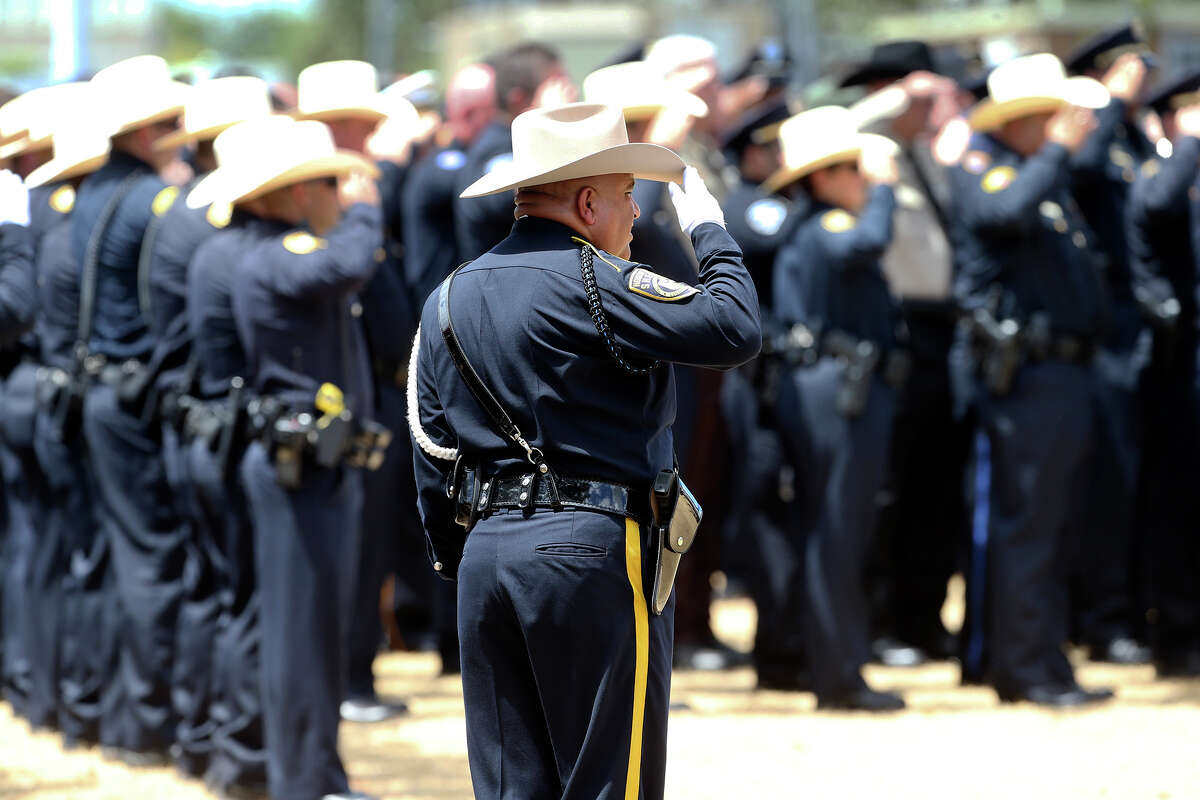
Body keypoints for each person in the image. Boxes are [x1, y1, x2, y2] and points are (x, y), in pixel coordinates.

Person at [410, 102, 759, 799]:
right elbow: (733, 327)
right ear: (587, 199)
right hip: (587, 550)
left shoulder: (446, 296)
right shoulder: (595, 279)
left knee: (514, 788)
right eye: (629, 196)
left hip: (487, 557)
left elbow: (433, 449)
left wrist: (463, 554)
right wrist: (710, 232)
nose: (635, 216)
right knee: (608, 784)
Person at [195, 114, 385, 800]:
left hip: (313, 465)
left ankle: (317, 774)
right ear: (296, 194)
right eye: (329, 182)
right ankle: (302, 783)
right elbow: (347, 264)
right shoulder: (276, 254)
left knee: (316, 631)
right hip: (297, 467)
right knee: (301, 636)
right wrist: (367, 211)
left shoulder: (280, 248)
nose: (340, 193)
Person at [950, 53, 1113, 706]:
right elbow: (1004, 213)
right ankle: (1021, 668)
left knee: (1057, 525)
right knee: (1028, 525)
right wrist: (1056, 154)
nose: (1068, 127)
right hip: (1028, 375)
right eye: (1054, 115)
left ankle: (1047, 657)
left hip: (1063, 371)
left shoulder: (1041, 176)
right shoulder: (989, 170)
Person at [142, 75, 274, 779]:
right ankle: (236, 750)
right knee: (241, 594)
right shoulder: (214, 221)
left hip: (188, 421)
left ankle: (201, 738)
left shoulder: (184, 211)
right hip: (217, 424)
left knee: (210, 588)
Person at [69, 55, 191, 760]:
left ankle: (121, 714)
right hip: (132, 392)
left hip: (101, 389)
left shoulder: (92, 189)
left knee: (120, 556)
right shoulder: (153, 199)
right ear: (146, 134)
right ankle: (145, 726)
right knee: (151, 559)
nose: (184, 136)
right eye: (173, 125)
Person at [768, 106, 907, 711]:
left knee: (844, 529)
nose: (862, 179)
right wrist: (884, 190)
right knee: (836, 529)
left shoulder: (826, 224)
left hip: (845, 387)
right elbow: (869, 240)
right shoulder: (824, 225)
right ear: (822, 177)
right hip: (833, 388)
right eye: (852, 169)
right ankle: (838, 676)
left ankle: (842, 667)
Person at [295, 59, 420, 722]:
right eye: (359, 126)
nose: (369, 139)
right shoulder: (324, 193)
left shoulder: (355, 184)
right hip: (350, 386)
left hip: (381, 383)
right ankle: (346, 680)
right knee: (352, 543)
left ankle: (357, 673)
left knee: (370, 543)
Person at [846, 51, 967, 666]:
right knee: (889, 485)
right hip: (896, 328)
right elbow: (844, 120)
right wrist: (901, 96)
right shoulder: (866, 144)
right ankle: (883, 621)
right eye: (921, 99)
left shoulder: (927, 154)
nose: (930, 110)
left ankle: (922, 618)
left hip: (944, 329)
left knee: (936, 485)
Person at [1062, 26, 1158, 665]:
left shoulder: (1131, 132)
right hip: (1105, 327)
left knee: (1136, 477)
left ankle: (1126, 606)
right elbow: (1086, 171)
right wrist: (1108, 102)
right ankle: (1100, 617)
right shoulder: (1097, 126)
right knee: (1108, 479)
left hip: (1134, 320)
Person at [23, 116, 111, 749]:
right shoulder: (80, 235)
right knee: (84, 557)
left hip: (47, 394)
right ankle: (77, 703)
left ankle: (50, 695)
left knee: (51, 555)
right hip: (66, 404)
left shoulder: (53, 227)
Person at [1126, 69, 1200, 678]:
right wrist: (1189, 142)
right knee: (1179, 503)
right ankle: (1176, 635)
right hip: (1180, 366)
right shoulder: (1161, 169)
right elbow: (1155, 205)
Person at [454, 41, 575, 260]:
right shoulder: (495, 147)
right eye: (556, 87)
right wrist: (550, 121)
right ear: (518, 100)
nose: (570, 94)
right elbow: (511, 193)